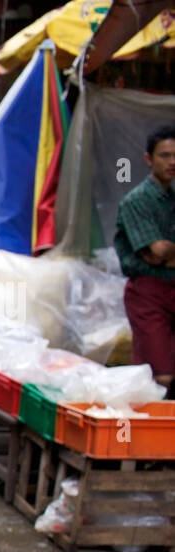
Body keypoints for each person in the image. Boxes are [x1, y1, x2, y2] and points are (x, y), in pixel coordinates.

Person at [115, 124, 175, 393]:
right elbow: (158, 251)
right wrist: (161, 253)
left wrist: (164, 254)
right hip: (148, 291)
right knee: (162, 374)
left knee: (156, 371)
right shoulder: (136, 200)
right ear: (148, 159)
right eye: (164, 155)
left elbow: (162, 253)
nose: (172, 162)